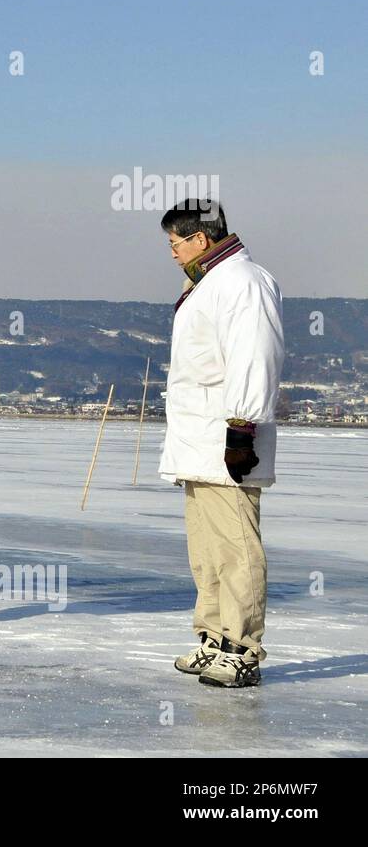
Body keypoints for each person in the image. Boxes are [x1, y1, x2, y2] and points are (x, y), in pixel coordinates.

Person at [159, 199, 283, 688]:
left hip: (226, 439)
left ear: (200, 238)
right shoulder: (208, 282)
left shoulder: (242, 282)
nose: (171, 253)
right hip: (198, 440)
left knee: (236, 549)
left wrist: (242, 428)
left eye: (175, 243)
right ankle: (214, 635)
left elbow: (255, 356)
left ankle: (241, 647)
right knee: (207, 552)